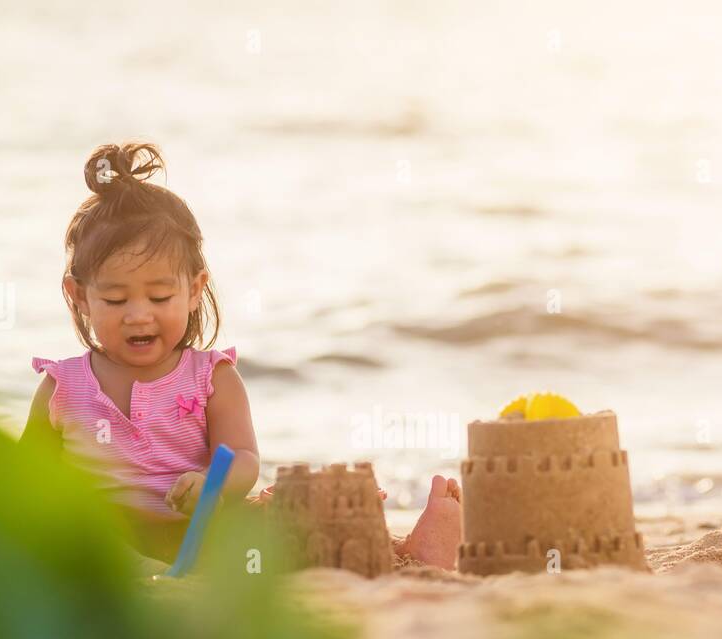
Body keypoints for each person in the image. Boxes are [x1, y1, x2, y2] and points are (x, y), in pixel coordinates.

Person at [24, 142, 461, 568]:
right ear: (78, 296)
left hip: (203, 532)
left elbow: (245, 460)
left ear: (194, 290)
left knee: (289, 519)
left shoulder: (211, 378)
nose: (139, 316)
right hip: (103, 537)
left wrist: (212, 486)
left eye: (159, 296)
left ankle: (407, 549)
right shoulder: (62, 386)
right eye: (116, 301)